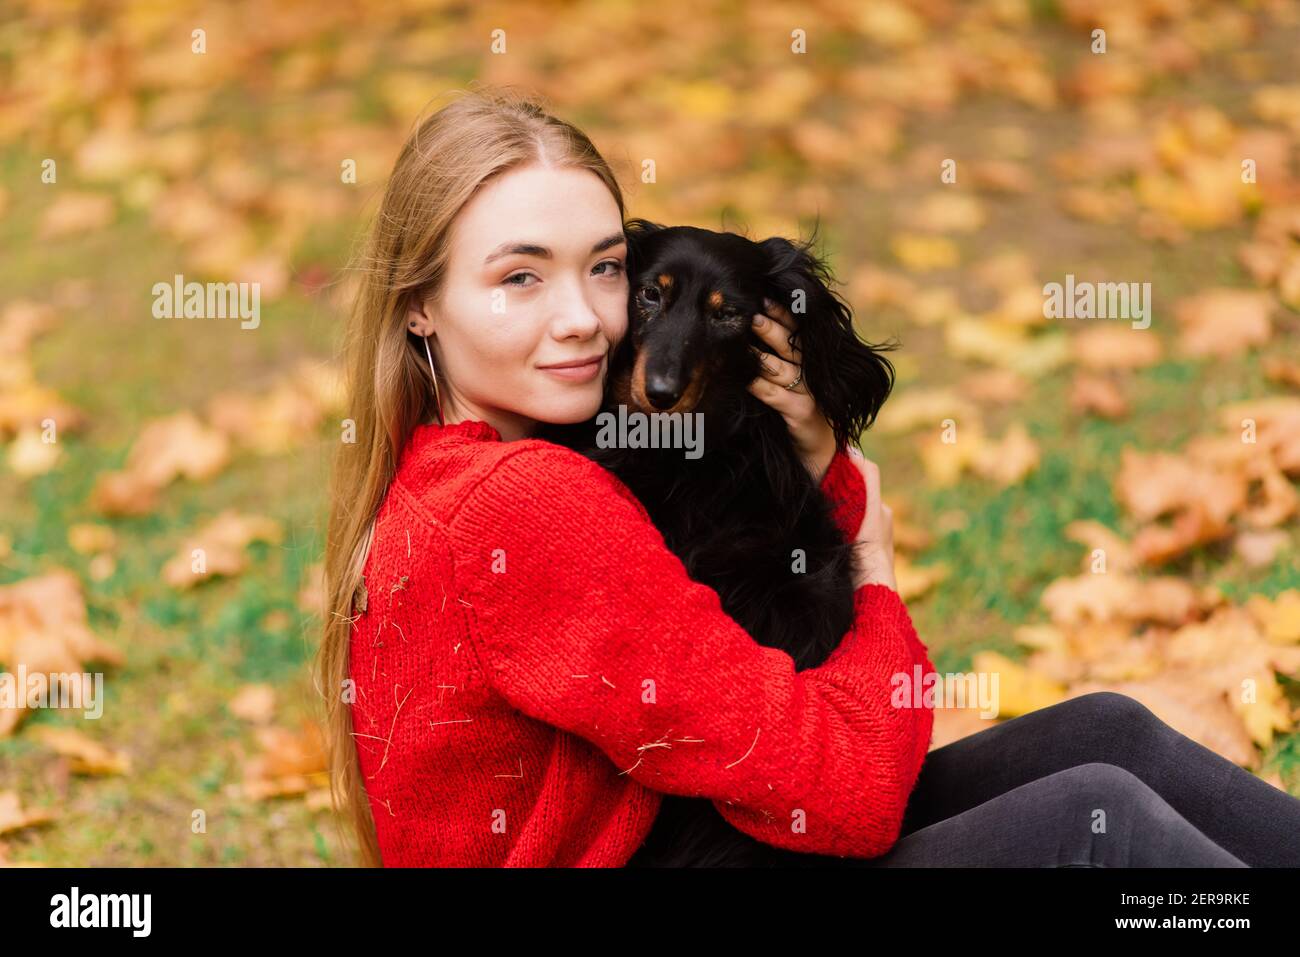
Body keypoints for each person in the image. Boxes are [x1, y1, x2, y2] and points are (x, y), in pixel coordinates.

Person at [315, 86, 1300, 868]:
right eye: (519, 277)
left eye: (604, 268)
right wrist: (874, 575)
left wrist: (821, 464)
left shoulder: (466, 475)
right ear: (420, 308)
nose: (582, 317)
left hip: (702, 843)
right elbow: (851, 794)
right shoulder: (523, 505)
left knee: (1106, 733)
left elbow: (711, 609)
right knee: (1097, 823)